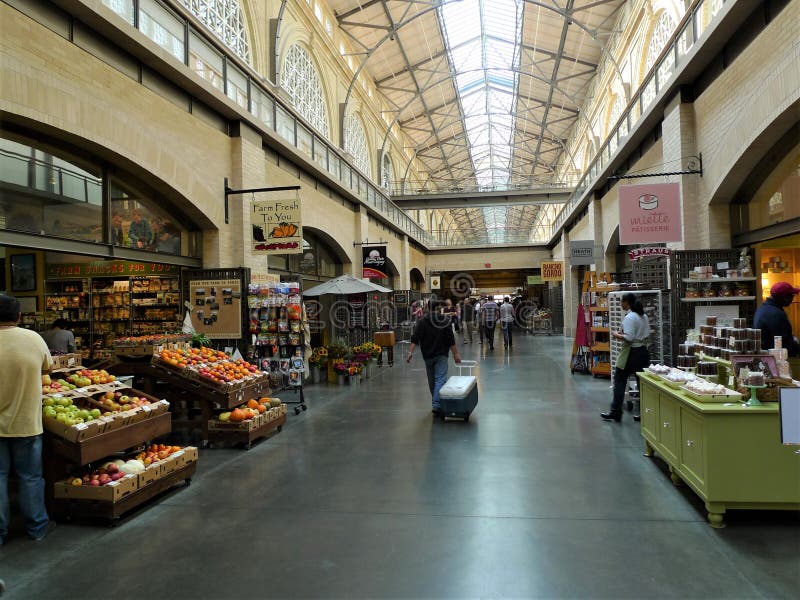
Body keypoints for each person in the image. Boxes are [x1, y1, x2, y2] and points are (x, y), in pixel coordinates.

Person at [0, 294, 56, 544]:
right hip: (27, 423)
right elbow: (47, 372)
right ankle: (37, 527)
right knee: (30, 476)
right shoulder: (34, 339)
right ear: (19, 316)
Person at [407, 300, 462, 415]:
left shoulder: (422, 321)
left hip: (427, 355)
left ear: (427, 308)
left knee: (432, 381)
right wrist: (456, 354)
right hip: (441, 354)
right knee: (440, 379)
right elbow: (450, 339)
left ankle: (436, 402)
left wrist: (410, 352)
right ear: (439, 308)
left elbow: (415, 338)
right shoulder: (445, 320)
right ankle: (436, 404)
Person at [602, 292, 651, 422]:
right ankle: (645, 413)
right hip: (643, 352)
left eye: (621, 302)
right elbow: (646, 333)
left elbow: (629, 338)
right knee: (643, 384)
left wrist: (616, 334)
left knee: (619, 380)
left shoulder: (630, 317)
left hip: (631, 353)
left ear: (627, 303)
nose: (620, 304)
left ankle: (616, 411)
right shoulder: (644, 316)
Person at [754, 281, 800, 357]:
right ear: (783, 297)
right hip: (775, 358)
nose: (792, 299)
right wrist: (796, 346)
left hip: (766, 355)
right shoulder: (776, 314)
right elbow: (784, 343)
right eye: (791, 296)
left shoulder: (763, 308)